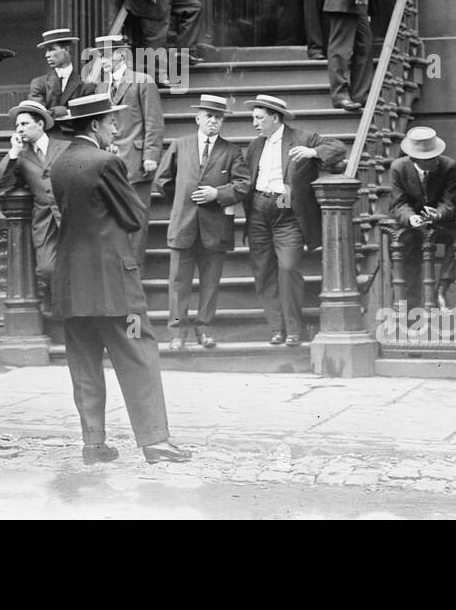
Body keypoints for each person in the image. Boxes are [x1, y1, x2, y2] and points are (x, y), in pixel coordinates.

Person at [50, 92, 192, 464]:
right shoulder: (107, 162)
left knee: (84, 363)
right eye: (113, 122)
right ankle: (155, 442)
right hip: (115, 289)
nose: (117, 128)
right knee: (138, 352)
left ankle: (93, 444)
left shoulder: (60, 163)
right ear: (95, 125)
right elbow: (133, 216)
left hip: (72, 288)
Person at [241, 94, 347, 346]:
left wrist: (313, 152)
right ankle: (277, 327)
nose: (254, 123)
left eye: (259, 118)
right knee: (263, 271)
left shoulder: (302, 137)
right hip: (258, 210)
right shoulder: (255, 145)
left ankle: (293, 330)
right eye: (253, 118)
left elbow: (338, 147)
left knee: (288, 268)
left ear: (274, 117)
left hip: (286, 209)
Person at [152, 94, 249, 350]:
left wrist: (217, 194)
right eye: (209, 116)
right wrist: (184, 199)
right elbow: (162, 180)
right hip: (183, 224)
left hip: (215, 228)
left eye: (218, 117)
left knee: (210, 283)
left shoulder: (231, 150)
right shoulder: (179, 145)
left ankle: (205, 329)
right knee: (177, 283)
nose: (213, 122)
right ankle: (176, 332)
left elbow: (243, 185)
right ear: (198, 118)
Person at [89, 34, 163, 268]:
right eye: (101, 55)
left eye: (108, 54)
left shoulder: (143, 80)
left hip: (136, 162)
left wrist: (150, 156)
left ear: (122, 54)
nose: (104, 59)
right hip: (108, 163)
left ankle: (133, 280)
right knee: (113, 221)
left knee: (136, 222)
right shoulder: (101, 85)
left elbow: (153, 121)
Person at [0, 99, 64, 314]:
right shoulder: (20, 155)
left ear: (40, 124)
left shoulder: (64, 146)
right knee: (47, 268)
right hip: (45, 221)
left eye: (24, 124)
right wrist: (13, 152)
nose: (20, 129)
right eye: (17, 126)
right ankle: (56, 301)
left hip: (72, 216)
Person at [387, 126, 456, 312]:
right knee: (408, 261)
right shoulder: (399, 168)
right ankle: (412, 310)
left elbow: (450, 202)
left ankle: (442, 290)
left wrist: (439, 214)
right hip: (411, 228)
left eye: (436, 155)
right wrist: (411, 219)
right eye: (430, 158)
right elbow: (398, 204)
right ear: (415, 159)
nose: (436, 160)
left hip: (440, 223)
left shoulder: (448, 166)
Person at [27, 28, 95, 131]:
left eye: (51, 49)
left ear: (66, 50)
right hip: (49, 140)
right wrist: (68, 111)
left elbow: (88, 115)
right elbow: (38, 115)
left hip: (77, 141)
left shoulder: (86, 85)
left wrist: (53, 112)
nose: (47, 55)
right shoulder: (39, 83)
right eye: (46, 51)